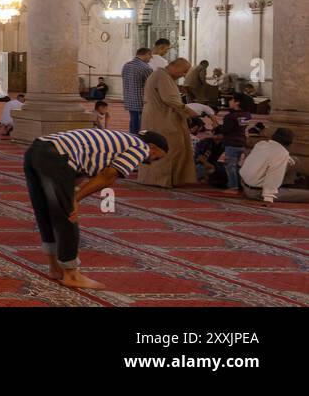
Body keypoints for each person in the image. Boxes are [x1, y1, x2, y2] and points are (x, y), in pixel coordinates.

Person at [24, 127, 168, 288]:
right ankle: (71, 274)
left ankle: (54, 267)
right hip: (56, 155)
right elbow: (108, 175)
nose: (152, 161)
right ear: (153, 147)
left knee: (46, 212)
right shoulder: (141, 147)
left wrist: (71, 193)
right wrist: (74, 199)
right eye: (157, 157)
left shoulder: (116, 141)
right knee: (68, 215)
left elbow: (78, 171)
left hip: (36, 149)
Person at [137, 58, 196, 187]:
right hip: (162, 117)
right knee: (169, 147)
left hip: (157, 115)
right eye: (184, 71)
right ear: (175, 66)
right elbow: (170, 99)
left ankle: (153, 179)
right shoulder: (162, 76)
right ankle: (163, 180)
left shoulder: (162, 75)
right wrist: (190, 112)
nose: (184, 74)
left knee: (156, 147)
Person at [240, 128, 309, 204]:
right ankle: (287, 189)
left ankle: (291, 184)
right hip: (257, 192)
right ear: (291, 142)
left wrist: (286, 158)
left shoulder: (261, 144)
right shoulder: (281, 153)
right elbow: (273, 176)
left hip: (244, 184)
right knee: (306, 195)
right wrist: (268, 197)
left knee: (294, 160)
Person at [218, 98, 250, 191]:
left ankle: (233, 186)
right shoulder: (247, 115)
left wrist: (218, 127)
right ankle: (241, 185)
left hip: (232, 143)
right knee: (239, 166)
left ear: (237, 102)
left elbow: (226, 130)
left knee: (230, 166)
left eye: (231, 100)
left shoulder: (230, 117)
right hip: (242, 142)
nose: (229, 102)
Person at [121, 47, 153, 134]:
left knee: (133, 121)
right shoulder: (146, 68)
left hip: (129, 99)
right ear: (146, 54)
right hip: (141, 101)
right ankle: (138, 141)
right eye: (150, 56)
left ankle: (132, 139)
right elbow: (151, 86)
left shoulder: (126, 65)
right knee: (140, 125)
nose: (150, 59)